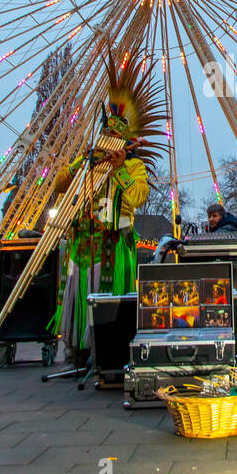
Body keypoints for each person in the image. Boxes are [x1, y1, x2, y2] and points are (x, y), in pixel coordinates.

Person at [50, 55, 164, 357]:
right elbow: (61, 185)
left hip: (114, 241)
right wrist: (82, 164)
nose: (110, 139)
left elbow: (138, 196)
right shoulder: (88, 160)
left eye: (115, 135)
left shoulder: (134, 166)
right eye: (107, 134)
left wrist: (120, 169)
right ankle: (78, 346)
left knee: (109, 295)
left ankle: (108, 347)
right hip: (84, 241)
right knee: (80, 291)